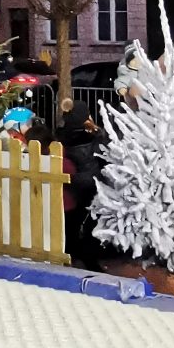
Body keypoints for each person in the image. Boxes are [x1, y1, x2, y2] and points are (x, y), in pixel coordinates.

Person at [59, 109, 104, 268]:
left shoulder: (62, 139)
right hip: (93, 185)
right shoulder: (94, 137)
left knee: (75, 222)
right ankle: (90, 259)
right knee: (90, 223)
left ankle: (73, 253)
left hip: (73, 185)